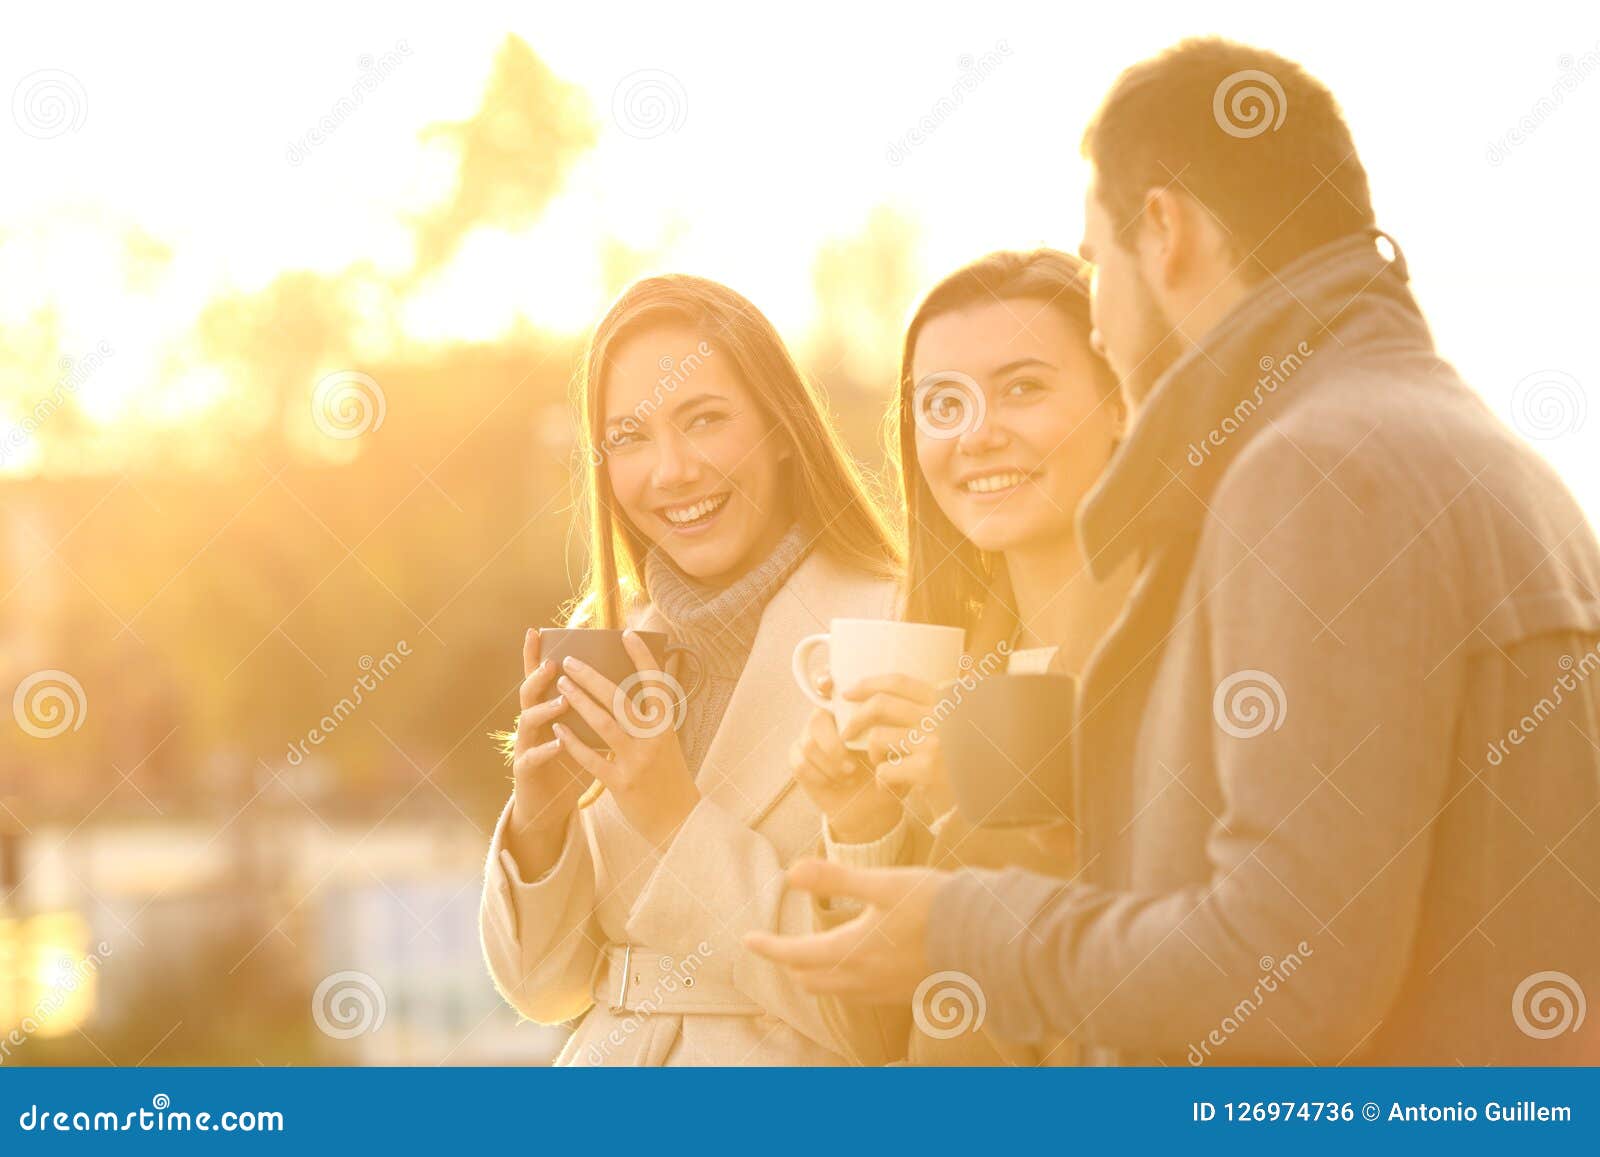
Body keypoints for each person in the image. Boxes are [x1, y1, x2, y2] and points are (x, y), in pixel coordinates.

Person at [747, 37, 1600, 1065]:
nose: (1102, 323)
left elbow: (1289, 970)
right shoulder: (1469, 446)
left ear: (1165, 231)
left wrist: (965, 925)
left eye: (1096, 264)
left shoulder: (1317, 472)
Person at [480, 274, 903, 1065]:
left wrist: (676, 819)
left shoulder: (895, 631)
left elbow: (879, 1019)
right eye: (629, 437)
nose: (671, 471)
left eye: (704, 420)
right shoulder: (608, 642)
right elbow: (543, 990)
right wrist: (540, 822)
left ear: (783, 426)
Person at [786, 249, 1134, 1064]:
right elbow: (881, 1037)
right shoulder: (961, 662)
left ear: (1120, 402)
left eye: (1023, 388)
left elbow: (1190, 972)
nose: (977, 434)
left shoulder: (1185, 650)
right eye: (943, 403)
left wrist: (979, 802)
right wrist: (864, 823)